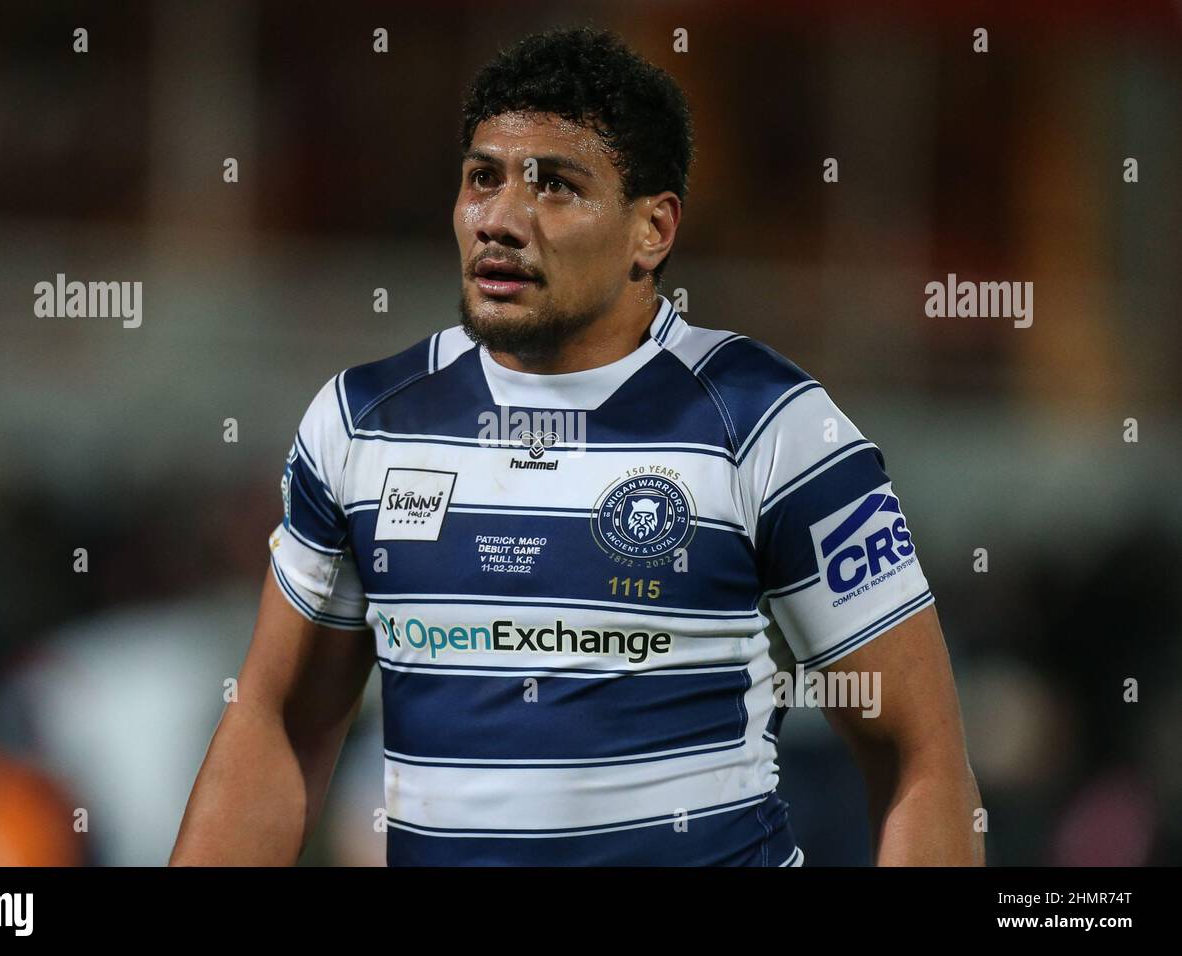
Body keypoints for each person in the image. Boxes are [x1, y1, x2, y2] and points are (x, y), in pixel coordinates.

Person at [171, 27, 983, 866]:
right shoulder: (363, 423)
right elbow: (275, 723)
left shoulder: (772, 427)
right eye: (483, 178)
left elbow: (919, 756)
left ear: (652, 231)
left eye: (555, 186)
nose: (501, 221)